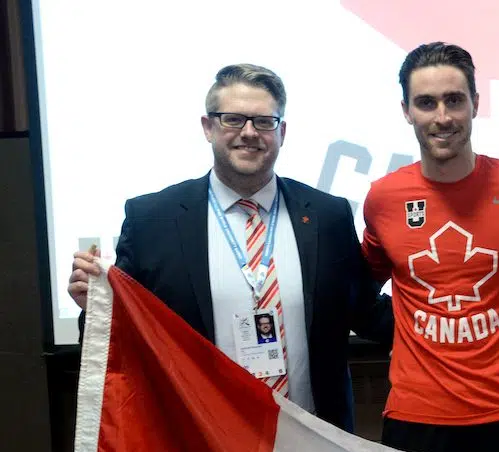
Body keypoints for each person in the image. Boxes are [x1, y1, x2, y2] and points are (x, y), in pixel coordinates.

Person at [67, 63, 391, 432]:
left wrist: (438, 313)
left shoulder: (326, 215)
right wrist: (93, 307)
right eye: (233, 120)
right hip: (202, 442)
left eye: (264, 122)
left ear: (282, 132)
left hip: (313, 439)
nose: (249, 133)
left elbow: (364, 311)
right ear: (208, 127)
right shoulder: (152, 220)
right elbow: (125, 331)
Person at [361, 42, 499, 452]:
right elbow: (360, 286)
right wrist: (396, 333)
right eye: (426, 103)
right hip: (415, 415)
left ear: (476, 103)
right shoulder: (383, 199)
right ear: (406, 110)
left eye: (454, 100)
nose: (442, 117)